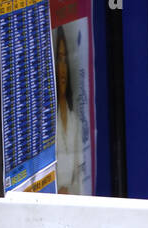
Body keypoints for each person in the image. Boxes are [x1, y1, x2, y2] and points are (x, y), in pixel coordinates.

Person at [54, 27, 82, 195]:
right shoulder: (44, 123)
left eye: (64, 60)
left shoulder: (76, 121)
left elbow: (81, 170)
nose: (62, 67)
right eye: (58, 59)